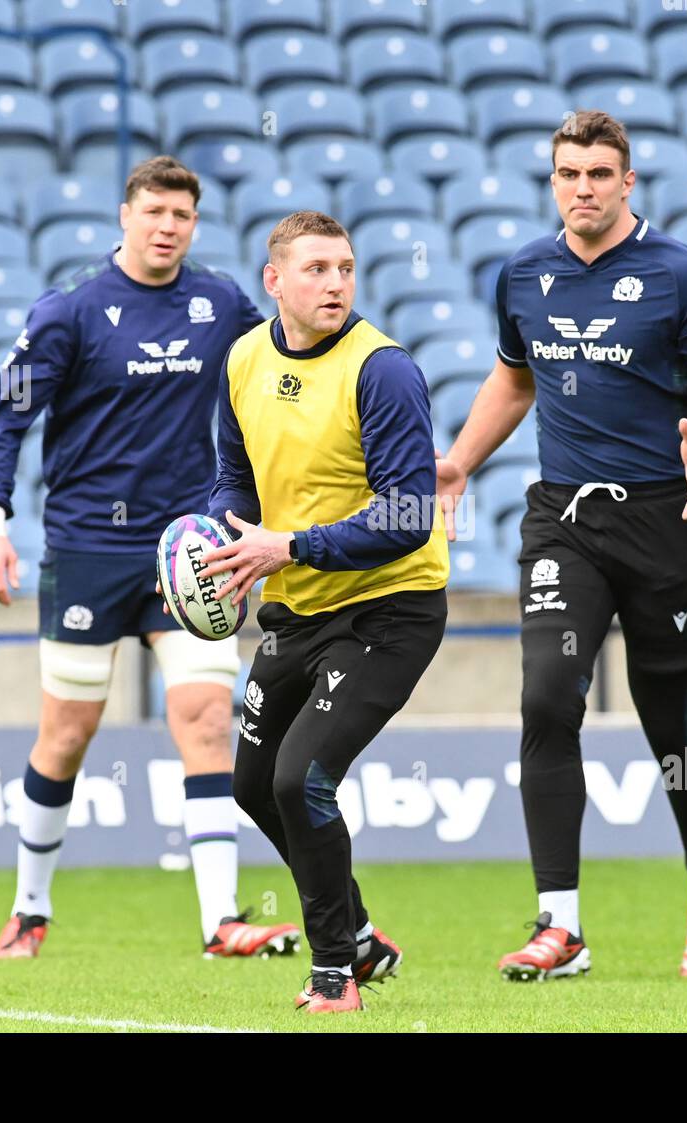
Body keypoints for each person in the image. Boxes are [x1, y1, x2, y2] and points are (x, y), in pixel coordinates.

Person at [436, 110, 687, 979]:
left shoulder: (681, 276)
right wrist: (459, 463)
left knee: (670, 724)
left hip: (667, 522)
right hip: (563, 522)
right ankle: (561, 925)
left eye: (599, 174)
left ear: (627, 183)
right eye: (569, 173)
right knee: (547, 697)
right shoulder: (525, 273)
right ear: (554, 182)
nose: (584, 188)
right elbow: (514, 379)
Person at [0, 156, 299, 961]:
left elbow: (280, 374)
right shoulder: (72, 311)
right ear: (125, 215)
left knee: (207, 719)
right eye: (153, 212)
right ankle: (29, 908)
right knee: (68, 733)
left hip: (191, 552)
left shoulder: (220, 303)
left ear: (194, 224)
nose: (166, 227)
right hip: (87, 547)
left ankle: (221, 920)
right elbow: (4, 419)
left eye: (181, 215)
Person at [192, 209, 449, 1013]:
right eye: (316, 269)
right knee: (252, 785)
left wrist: (288, 547)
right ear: (274, 280)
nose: (336, 282)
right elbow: (235, 476)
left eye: (344, 267)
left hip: (390, 608)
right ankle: (363, 933)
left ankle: (336, 972)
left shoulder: (385, 370)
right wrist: (226, 539)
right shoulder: (241, 358)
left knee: (303, 778)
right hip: (296, 609)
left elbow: (409, 514)